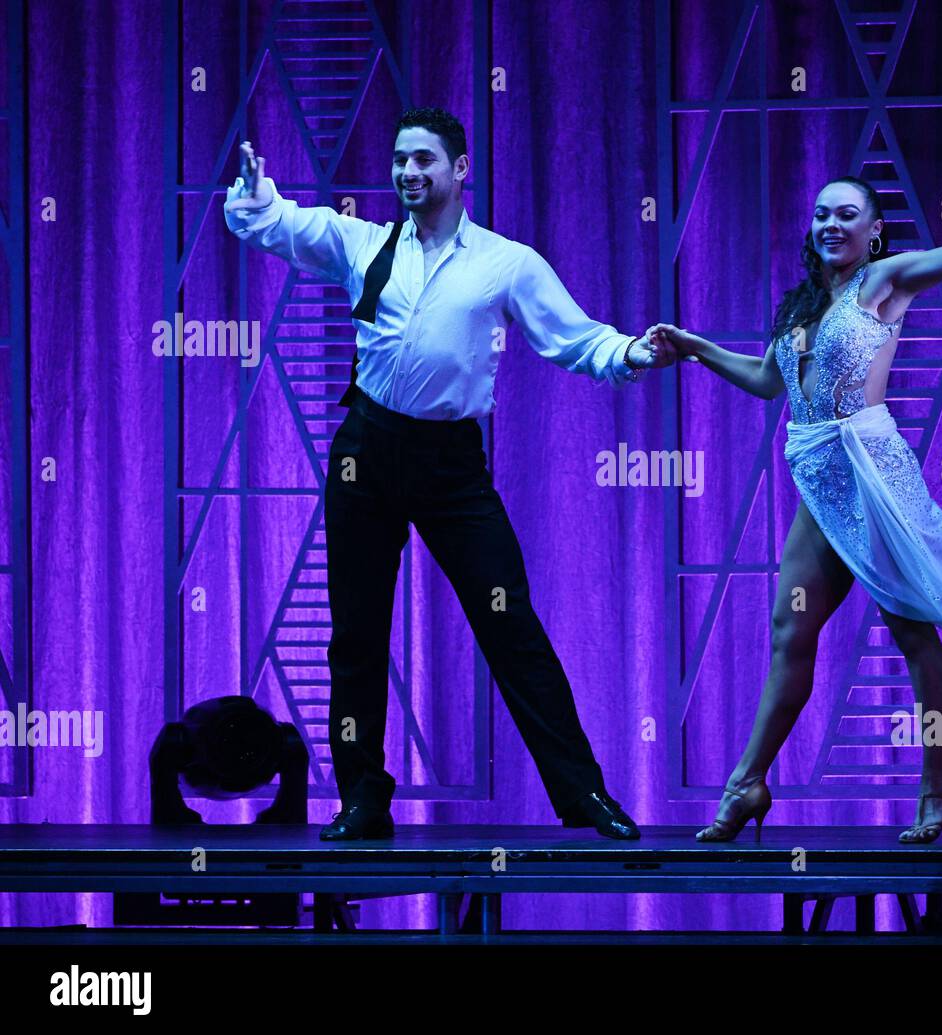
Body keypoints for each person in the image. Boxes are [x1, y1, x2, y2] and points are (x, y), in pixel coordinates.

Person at [224, 107, 673, 841]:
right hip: (364, 450)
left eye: (424, 160)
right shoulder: (362, 241)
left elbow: (573, 337)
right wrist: (255, 189)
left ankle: (584, 794)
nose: (408, 172)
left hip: (450, 464)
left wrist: (631, 352)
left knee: (510, 625)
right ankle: (361, 797)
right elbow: (276, 223)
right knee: (356, 637)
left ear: (460, 170)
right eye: (400, 160)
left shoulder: (506, 261)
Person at [649, 174, 942, 843]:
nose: (831, 225)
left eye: (848, 215)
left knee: (913, 636)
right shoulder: (799, 306)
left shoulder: (885, 282)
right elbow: (767, 383)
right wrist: (695, 347)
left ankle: (936, 788)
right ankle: (748, 782)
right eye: (821, 214)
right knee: (790, 633)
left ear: (875, 229)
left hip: (874, 481)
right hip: (821, 488)